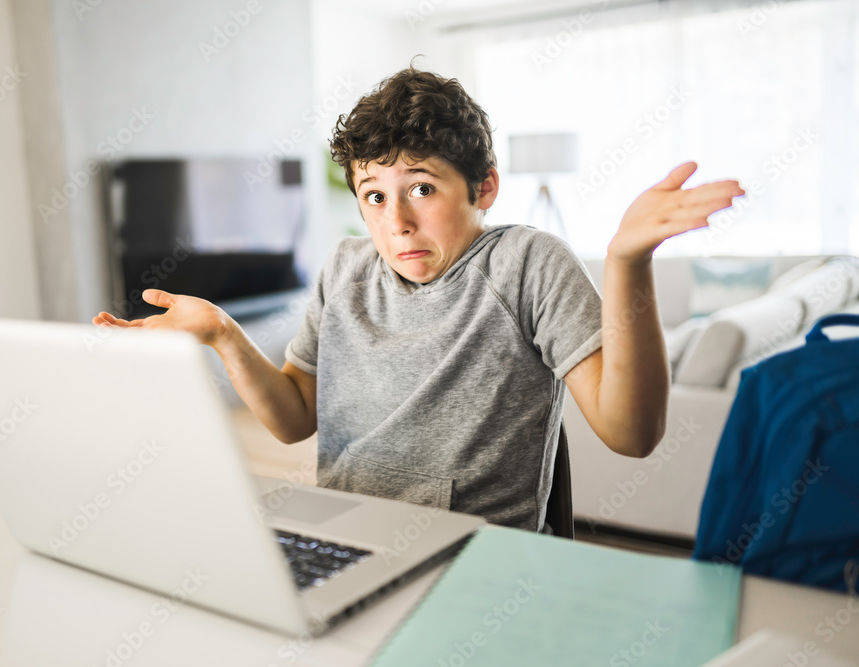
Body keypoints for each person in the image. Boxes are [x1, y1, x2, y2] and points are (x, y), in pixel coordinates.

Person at [93, 66, 744, 531]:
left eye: (423, 188)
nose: (397, 220)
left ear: (483, 186)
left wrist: (629, 260)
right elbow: (294, 418)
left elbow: (632, 433)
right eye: (374, 195)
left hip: (475, 560)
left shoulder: (525, 263)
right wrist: (223, 334)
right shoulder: (345, 268)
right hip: (351, 535)